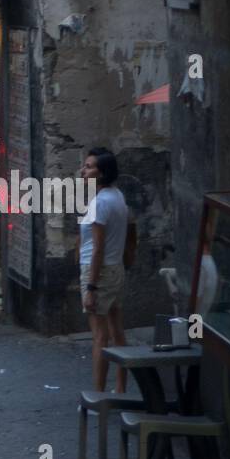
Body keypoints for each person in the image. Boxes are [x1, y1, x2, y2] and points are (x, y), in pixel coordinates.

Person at [80, 148, 135, 393]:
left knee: (100, 336)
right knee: (116, 331)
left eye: (89, 167)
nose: (84, 170)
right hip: (115, 270)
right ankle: (120, 389)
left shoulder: (100, 203)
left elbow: (97, 249)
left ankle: (99, 395)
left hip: (99, 273)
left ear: (101, 174)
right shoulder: (117, 196)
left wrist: (91, 286)